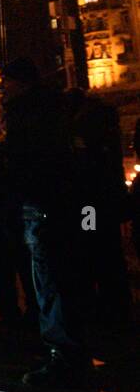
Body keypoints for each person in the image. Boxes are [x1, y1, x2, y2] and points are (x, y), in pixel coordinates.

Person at [0, 57, 91, 386]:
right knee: (59, 280)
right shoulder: (54, 110)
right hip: (55, 205)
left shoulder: (26, 114)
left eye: (5, 80)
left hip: (41, 206)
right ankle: (67, 351)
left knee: (51, 281)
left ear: (21, 83)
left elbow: (25, 162)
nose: (0, 88)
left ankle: (63, 357)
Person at [64, 88, 130, 325]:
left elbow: (83, 168)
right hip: (106, 200)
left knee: (94, 251)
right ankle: (118, 306)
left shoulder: (84, 125)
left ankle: (105, 308)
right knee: (110, 254)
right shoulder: (105, 123)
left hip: (90, 202)